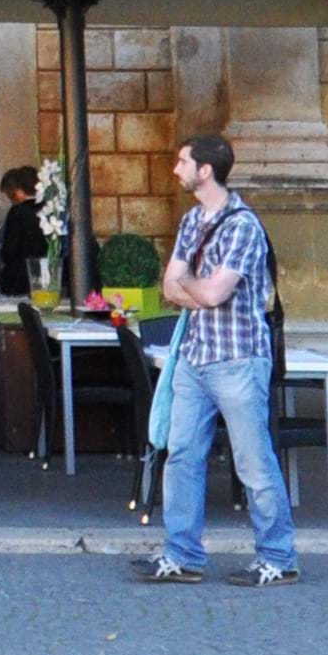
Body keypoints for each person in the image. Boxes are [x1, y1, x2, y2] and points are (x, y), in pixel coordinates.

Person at [127, 134, 299, 588]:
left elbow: (213, 292)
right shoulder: (190, 221)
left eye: (182, 161)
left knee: (253, 461)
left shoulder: (243, 226)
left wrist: (191, 283)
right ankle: (182, 554)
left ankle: (278, 557)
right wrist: (193, 285)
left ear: (206, 170)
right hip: (194, 356)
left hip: (238, 358)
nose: (175, 168)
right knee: (181, 455)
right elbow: (170, 287)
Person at [0, 166, 51, 296]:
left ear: (19, 190)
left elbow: (10, 248)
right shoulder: (49, 208)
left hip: (19, 275)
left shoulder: (18, 212)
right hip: (46, 272)